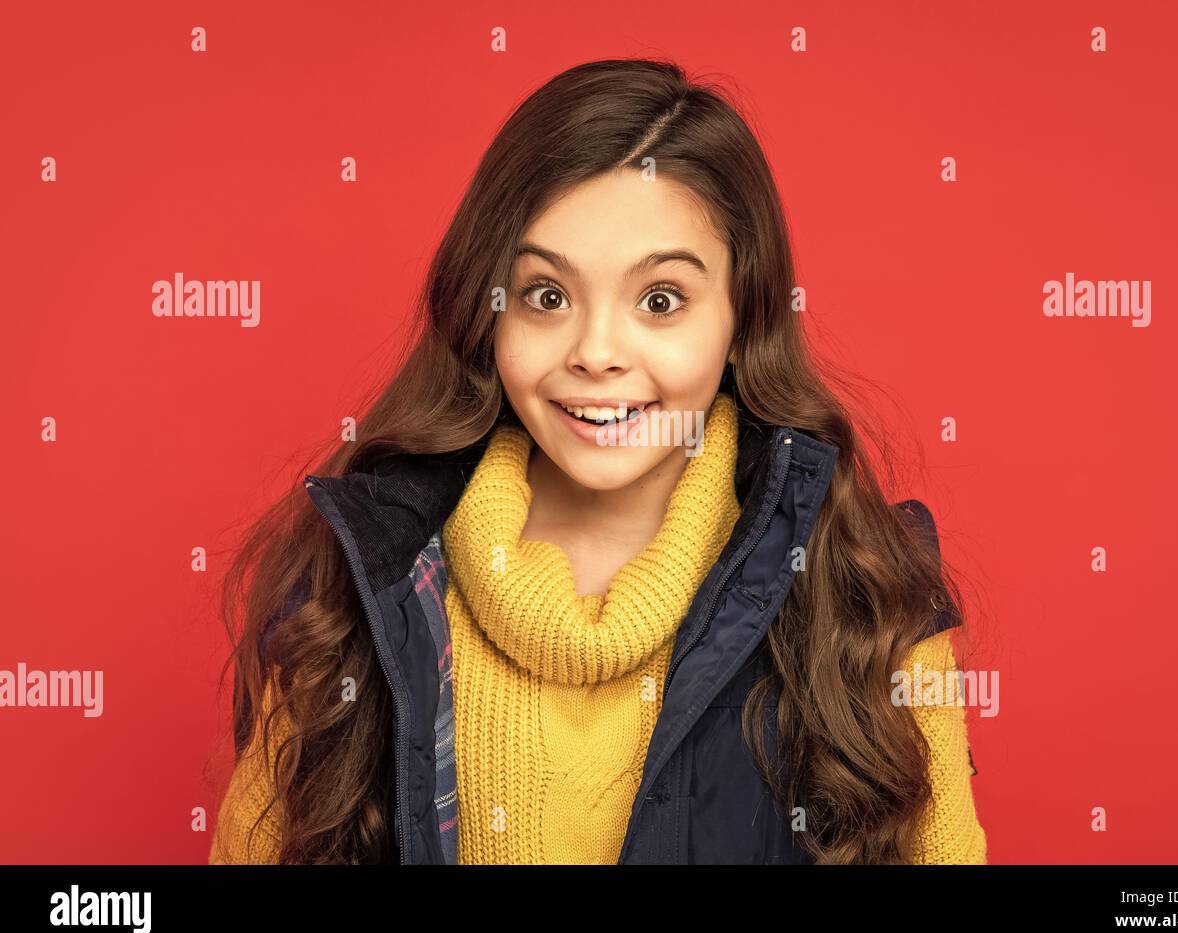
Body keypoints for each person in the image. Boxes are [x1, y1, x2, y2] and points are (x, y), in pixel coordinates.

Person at [208, 58, 987, 865]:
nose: (597, 353)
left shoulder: (859, 594)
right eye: (548, 295)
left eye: (660, 300)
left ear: (742, 317)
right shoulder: (368, 580)